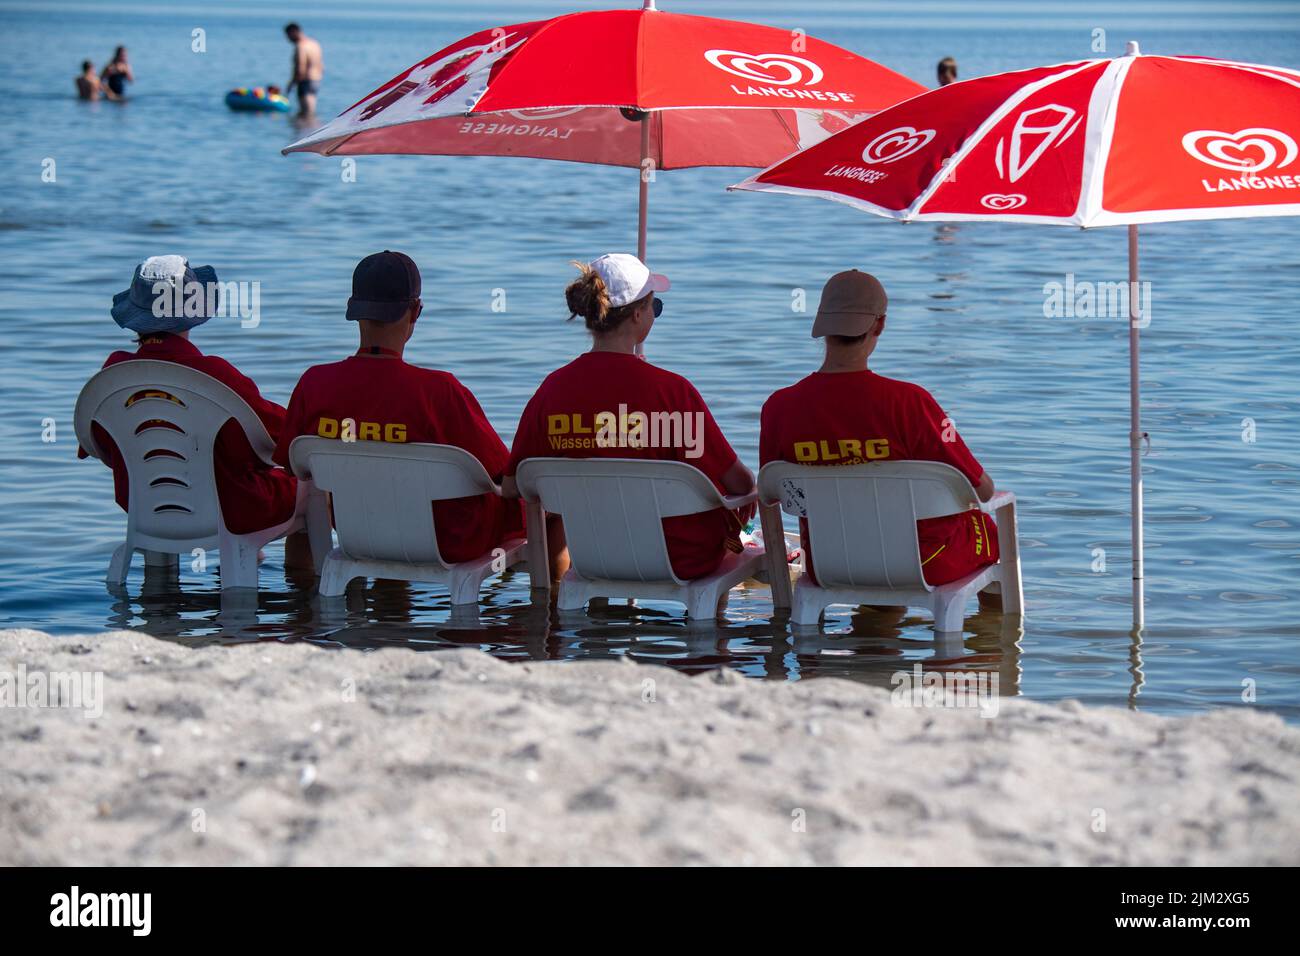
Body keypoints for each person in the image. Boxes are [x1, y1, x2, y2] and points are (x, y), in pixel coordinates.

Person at [502, 254, 755, 587]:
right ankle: (714, 631)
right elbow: (740, 485)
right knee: (734, 516)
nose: (654, 313)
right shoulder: (672, 392)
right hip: (682, 561)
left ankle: (556, 620)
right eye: (655, 307)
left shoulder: (552, 390)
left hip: (591, 554)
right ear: (638, 314)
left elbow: (513, 485)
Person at [272, 251, 524, 564]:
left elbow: (291, 467)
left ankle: (314, 602)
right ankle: (544, 606)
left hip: (360, 533)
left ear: (353, 310)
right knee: (546, 506)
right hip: (449, 543)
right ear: (416, 310)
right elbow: (503, 471)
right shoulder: (439, 391)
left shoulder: (314, 384)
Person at [759, 270, 999, 597]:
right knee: (986, 528)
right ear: (880, 325)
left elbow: (770, 493)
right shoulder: (911, 403)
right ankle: (989, 644)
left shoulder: (779, 407)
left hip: (829, 562)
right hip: (920, 562)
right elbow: (982, 490)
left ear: (821, 325)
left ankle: (878, 631)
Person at [79, 256, 305, 561]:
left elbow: (94, 444)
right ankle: (303, 598)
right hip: (231, 510)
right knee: (313, 490)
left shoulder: (113, 375)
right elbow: (280, 438)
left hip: (145, 507)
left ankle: (161, 593)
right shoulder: (215, 376)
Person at [284, 23, 323, 117]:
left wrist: (291, 84)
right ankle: (310, 128)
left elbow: (300, 66)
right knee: (311, 109)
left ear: (293, 33)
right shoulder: (314, 43)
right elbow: (320, 64)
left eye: (288, 36)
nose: (288, 39)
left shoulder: (300, 46)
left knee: (306, 112)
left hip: (305, 80)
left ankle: (306, 130)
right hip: (316, 79)